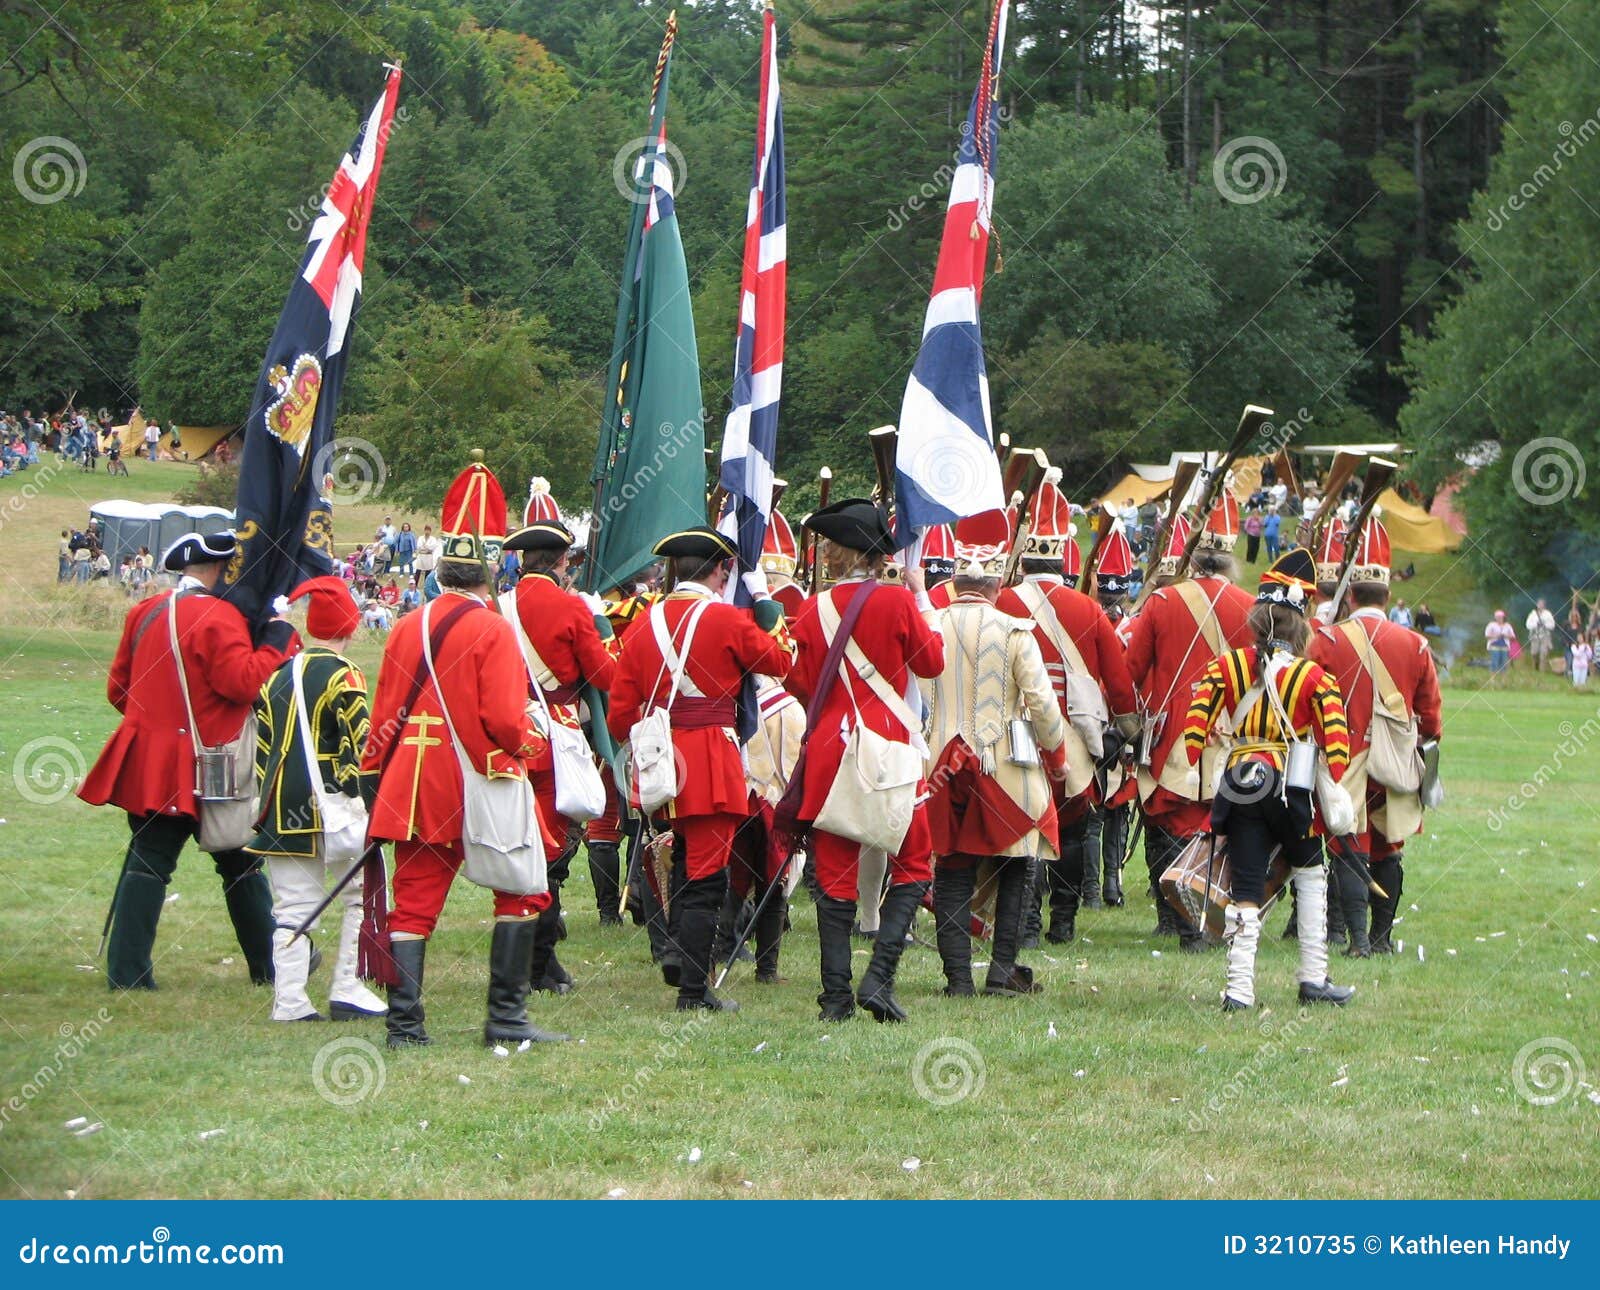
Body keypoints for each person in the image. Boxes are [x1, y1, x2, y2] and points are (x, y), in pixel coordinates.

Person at [362, 456, 566, 1049]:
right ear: (494, 567)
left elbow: (384, 720)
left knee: (415, 904)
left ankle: (406, 1026)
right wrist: (532, 743)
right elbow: (504, 720)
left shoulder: (406, 625)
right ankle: (505, 1019)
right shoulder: (493, 629)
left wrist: (375, 778)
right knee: (524, 891)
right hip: (480, 777)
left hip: (413, 783)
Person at [79, 531, 300, 990]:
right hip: (214, 758)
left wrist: (160, 725)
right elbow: (242, 684)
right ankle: (269, 967)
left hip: (151, 761)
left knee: (148, 861)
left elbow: (118, 690)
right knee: (239, 860)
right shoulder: (220, 617)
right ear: (219, 570)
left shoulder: (146, 611)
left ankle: (128, 974)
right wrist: (277, 640)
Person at [606, 527, 792, 1014]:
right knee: (707, 875)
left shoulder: (645, 623)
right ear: (720, 570)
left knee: (685, 863)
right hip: (710, 758)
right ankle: (693, 990)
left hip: (665, 762)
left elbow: (620, 715)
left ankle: (677, 953)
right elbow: (781, 660)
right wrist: (770, 611)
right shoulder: (727, 619)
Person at [787, 499, 944, 1022]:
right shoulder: (897, 603)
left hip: (832, 747)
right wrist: (920, 598)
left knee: (833, 874)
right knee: (913, 860)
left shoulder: (811, 609)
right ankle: (878, 979)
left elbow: (802, 685)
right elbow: (932, 662)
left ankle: (835, 997)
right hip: (889, 746)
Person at [1184, 547, 1354, 1010]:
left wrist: (1208, 746)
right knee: (1311, 872)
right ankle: (1313, 978)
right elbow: (1337, 747)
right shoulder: (1314, 676)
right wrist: (1330, 778)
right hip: (1288, 786)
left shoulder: (1227, 666)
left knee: (1245, 886)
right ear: (1300, 624)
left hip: (1239, 783)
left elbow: (1193, 728)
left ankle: (1239, 990)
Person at [923, 509, 1069, 998]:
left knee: (953, 867)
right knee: (1018, 861)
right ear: (999, 578)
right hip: (1006, 764)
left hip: (940, 763)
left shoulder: (931, 624)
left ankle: (958, 980)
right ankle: (1002, 971)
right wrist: (1059, 758)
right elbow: (1043, 706)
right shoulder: (1014, 631)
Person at [998, 473, 1138, 939]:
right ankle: (1063, 919)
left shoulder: (1001, 600)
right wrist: (1127, 731)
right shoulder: (1087, 608)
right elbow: (1118, 685)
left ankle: (1025, 921)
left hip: (1011, 732)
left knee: (1021, 826)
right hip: (1072, 738)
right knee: (1074, 828)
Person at [248, 577, 388, 1022]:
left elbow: (262, 751)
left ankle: (289, 1001)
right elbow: (364, 744)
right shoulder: (344, 674)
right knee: (359, 896)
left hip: (279, 810)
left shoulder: (276, 676)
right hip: (333, 803)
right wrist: (370, 797)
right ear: (349, 628)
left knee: (291, 908)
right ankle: (347, 987)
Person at [1309, 516, 1442, 957]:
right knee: (1388, 848)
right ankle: (1382, 941)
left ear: (1350, 594)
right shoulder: (1416, 645)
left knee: (1348, 845)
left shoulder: (1327, 641)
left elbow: (1307, 702)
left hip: (1342, 759)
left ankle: (1358, 941)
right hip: (1396, 761)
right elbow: (1431, 718)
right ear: (1387, 595)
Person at [1124, 508, 1254, 952]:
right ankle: (1216, 917)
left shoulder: (1162, 602)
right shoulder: (1252, 606)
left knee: (1173, 825)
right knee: (1228, 825)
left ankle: (1184, 927)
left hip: (1175, 731)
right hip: (1235, 730)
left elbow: (1132, 670)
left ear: (1192, 556)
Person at [502, 498, 618, 984]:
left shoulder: (499, 605)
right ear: (562, 562)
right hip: (555, 735)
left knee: (518, 839)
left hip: (507, 733)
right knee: (551, 847)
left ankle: (534, 951)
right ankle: (539, 960)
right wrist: (605, 633)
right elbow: (605, 674)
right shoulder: (571, 607)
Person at [1525, 599, 1555, 671]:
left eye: (1542, 604)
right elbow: (1528, 625)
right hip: (1535, 636)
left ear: (1544, 605)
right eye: (1539, 604)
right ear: (1537, 605)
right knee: (1534, 653)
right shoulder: (1532, 614)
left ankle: (1542, 670)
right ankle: (1535, 666)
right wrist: (1536, 624)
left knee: (1543, 654)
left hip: (1545, 636)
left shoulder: (1548, 614)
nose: (1540, 606)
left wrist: (1544, 625)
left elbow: (1552, 625)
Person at [1485, 610, 1515, 676]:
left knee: (1504, 663)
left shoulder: (1508, 626)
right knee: (1494, 662)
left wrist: (1506, 636)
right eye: (1497, 617)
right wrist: (1496, 636)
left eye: (1500, 617)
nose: (1499, 618)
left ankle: (1503, 677)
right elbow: (1487, 635)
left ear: (1503, 617)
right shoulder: (1491, 625)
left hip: (1505, 646)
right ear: (1495, 618)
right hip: (1494, 646)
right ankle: (1493, 676)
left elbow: (1513, 636)